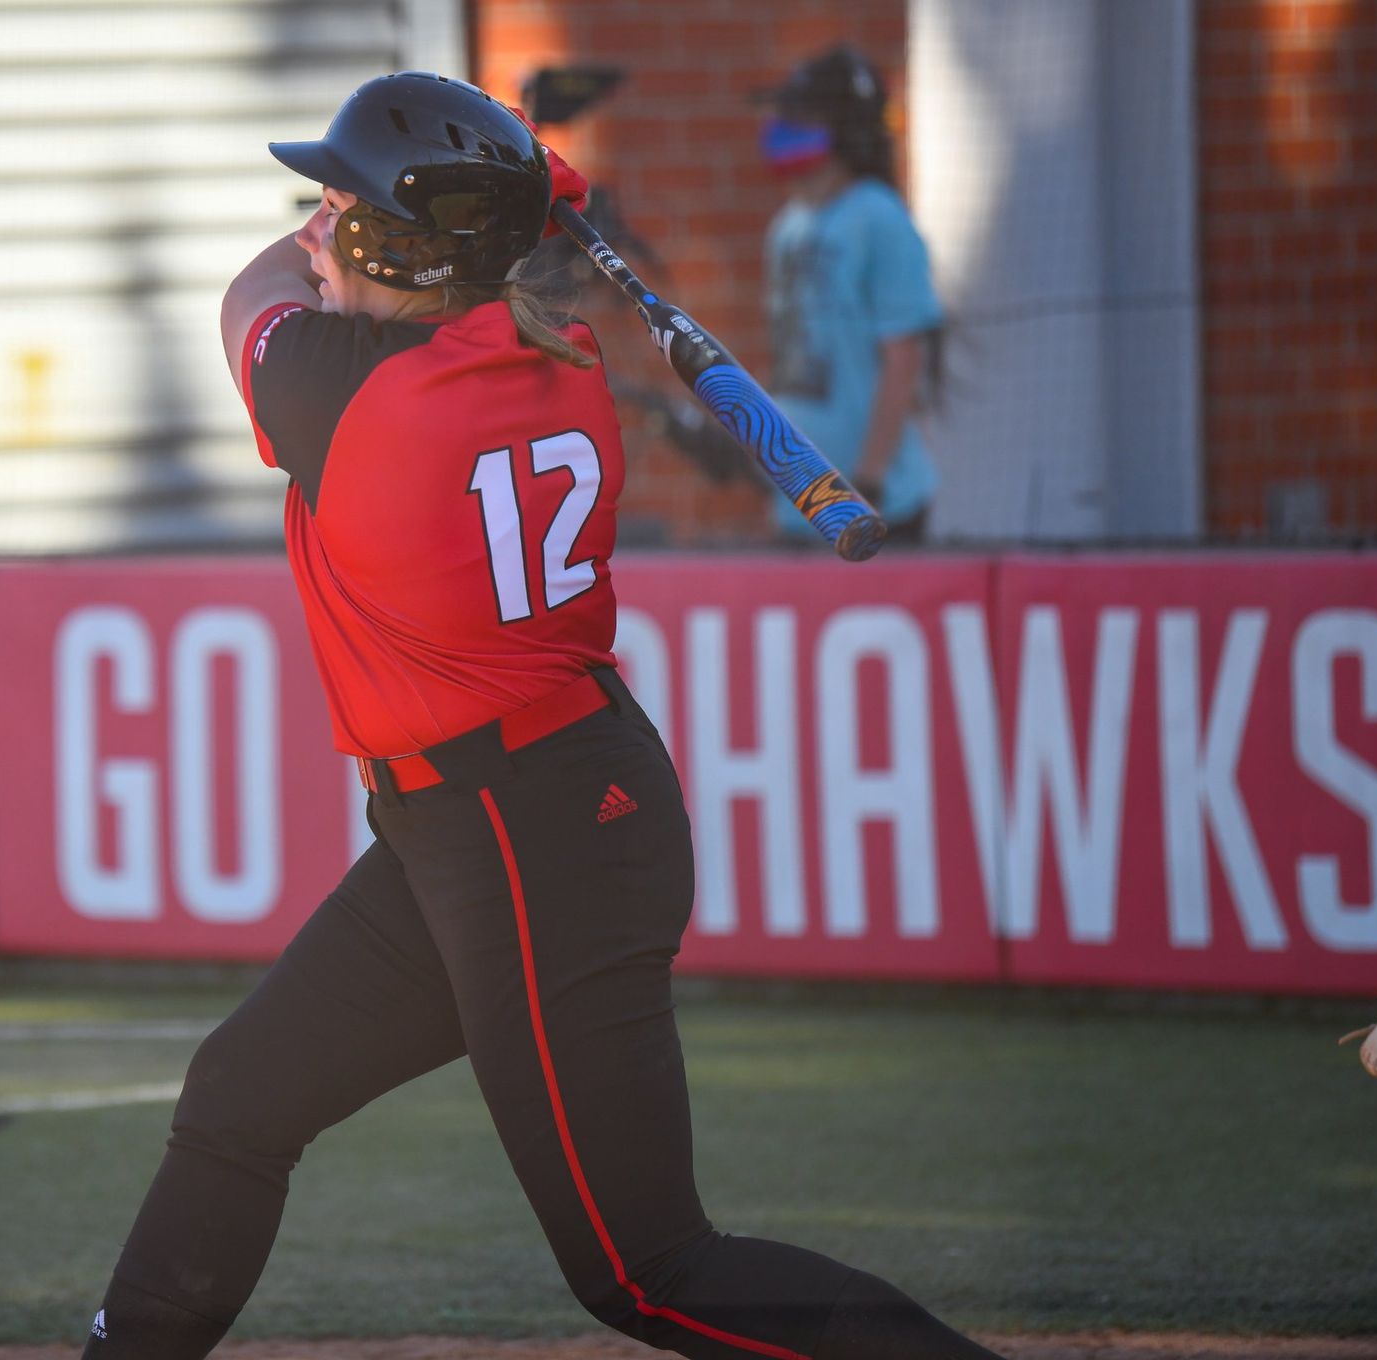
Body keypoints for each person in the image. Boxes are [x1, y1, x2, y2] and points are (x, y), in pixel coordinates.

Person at [77, 71, 1001, 1360]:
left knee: (649, 1271)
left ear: (400, 246)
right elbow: (472, 292)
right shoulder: (557, 357)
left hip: (533, 834)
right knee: (239, 1095)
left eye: (334, 209)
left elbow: (252, 297)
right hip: (495, 820)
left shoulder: (343, 391)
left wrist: (510, 204)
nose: (309, 232)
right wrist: (512, 209)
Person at [759, 46, 943, 543]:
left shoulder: (879, 218)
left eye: (804, 117)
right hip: (797, 507)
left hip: (874, 502)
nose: (783, 127)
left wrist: (870, 479)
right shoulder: (786, 227)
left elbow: (904, 356)